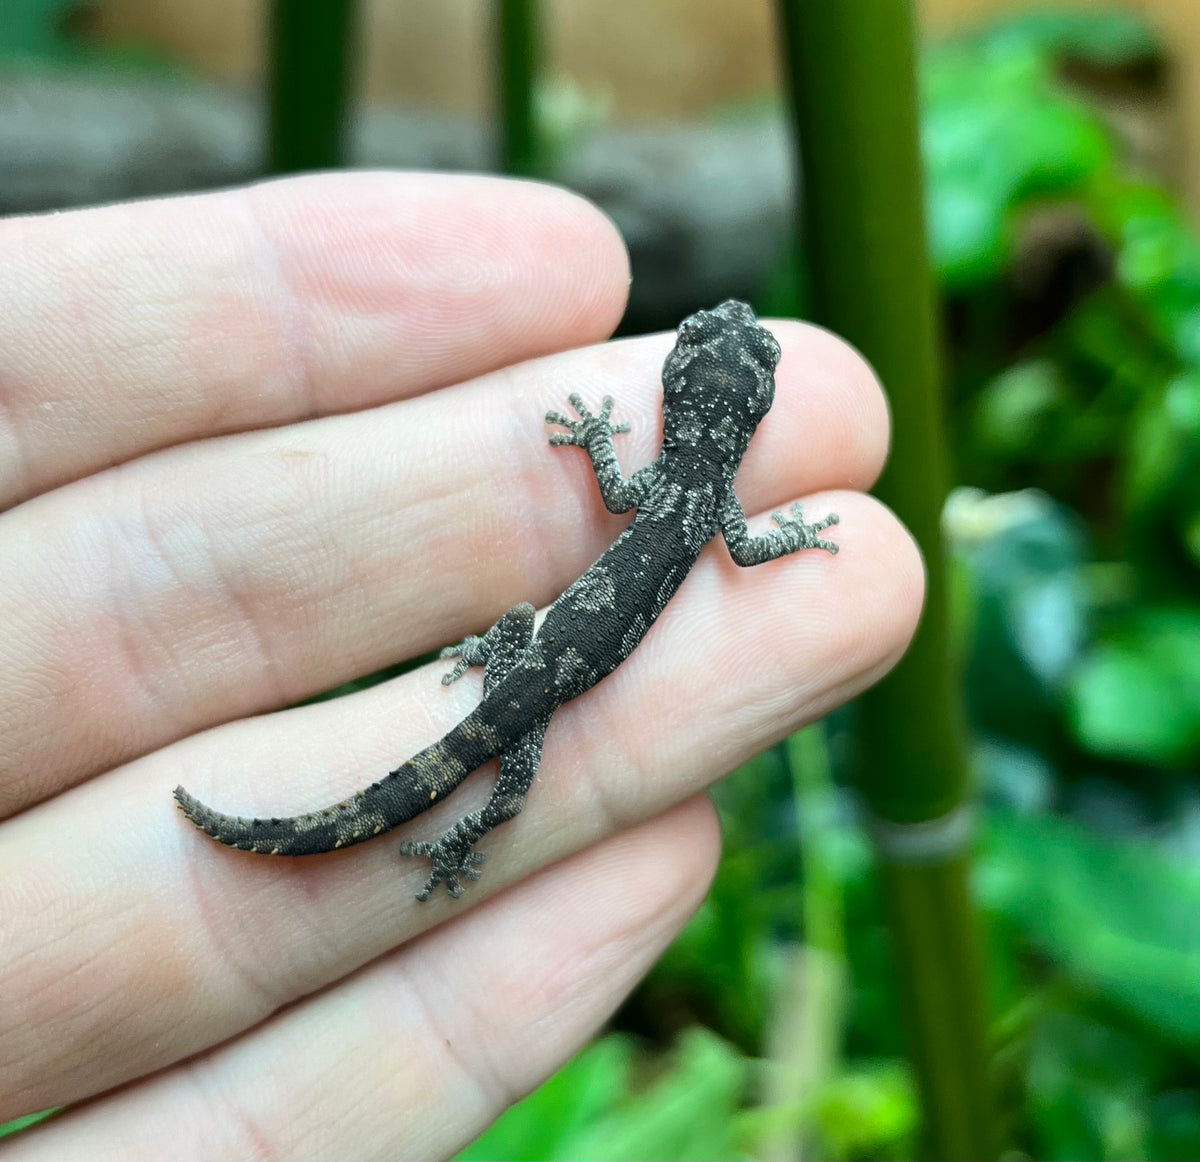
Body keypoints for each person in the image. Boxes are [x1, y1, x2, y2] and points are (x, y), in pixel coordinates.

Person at [0, 172, 920, 1159]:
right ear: (744, 418)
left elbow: (618, 494)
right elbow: (745, 550)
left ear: (681, 397)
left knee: (506, 703)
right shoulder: (710, 506)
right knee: (506, 791)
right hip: (540, 680)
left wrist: (592, 444)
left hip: (532, 662)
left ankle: (424, 764)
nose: (731, 324)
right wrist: (797, 535)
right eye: (712, 337)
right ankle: (424, 827)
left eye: (730, 345)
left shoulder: (667, 491)